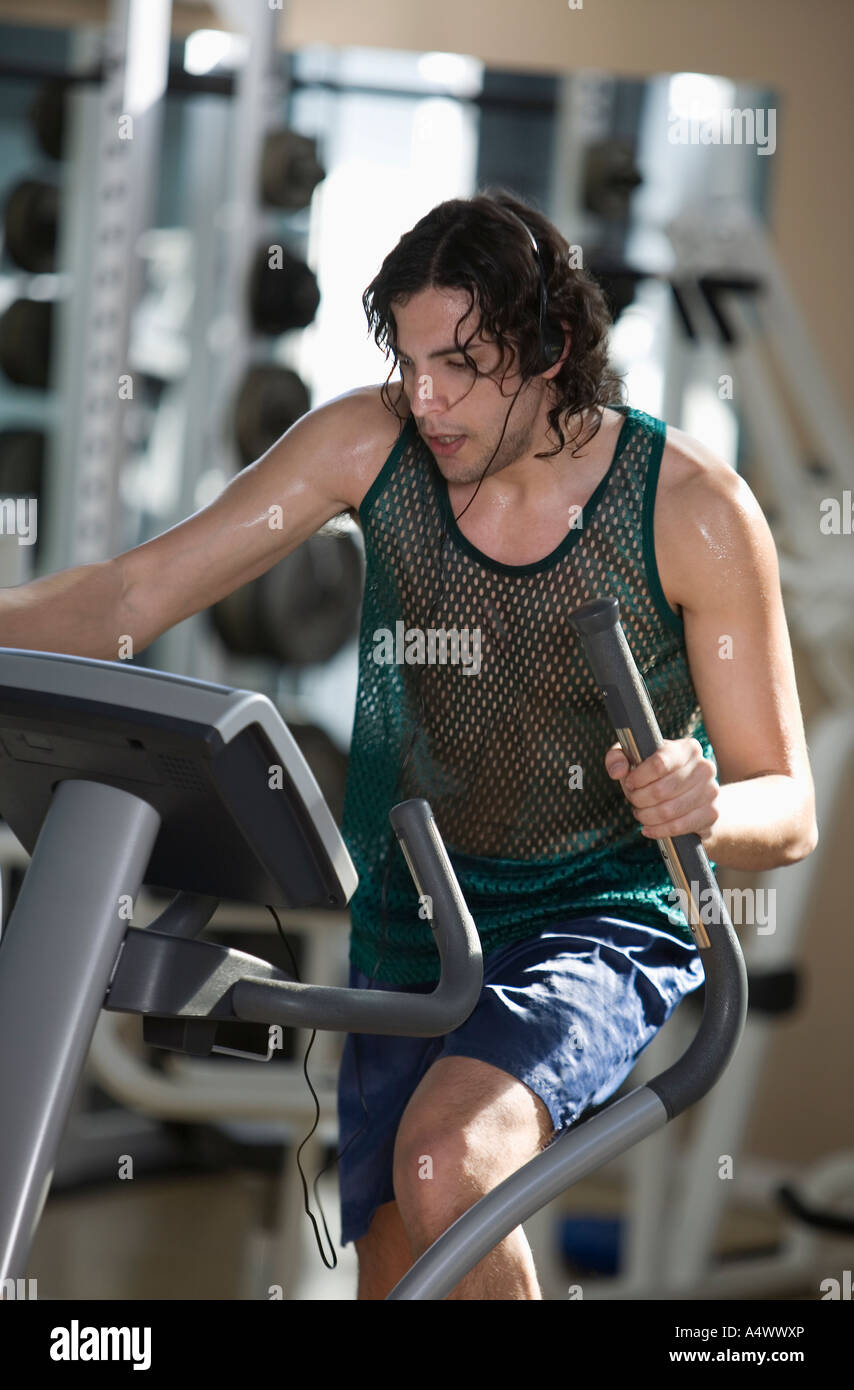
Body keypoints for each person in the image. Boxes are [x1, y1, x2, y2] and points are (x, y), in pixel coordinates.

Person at [1, 190, 817, 1302]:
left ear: (551, 345)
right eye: (408, 358)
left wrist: (702, 804)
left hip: (597, 912)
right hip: (419, 917)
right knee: (406, 1269)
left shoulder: (688, 510)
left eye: (461, 363)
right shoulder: (369, 440)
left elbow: (788, 807)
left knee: (447, 1162)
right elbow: (129, 595)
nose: (425, 398)